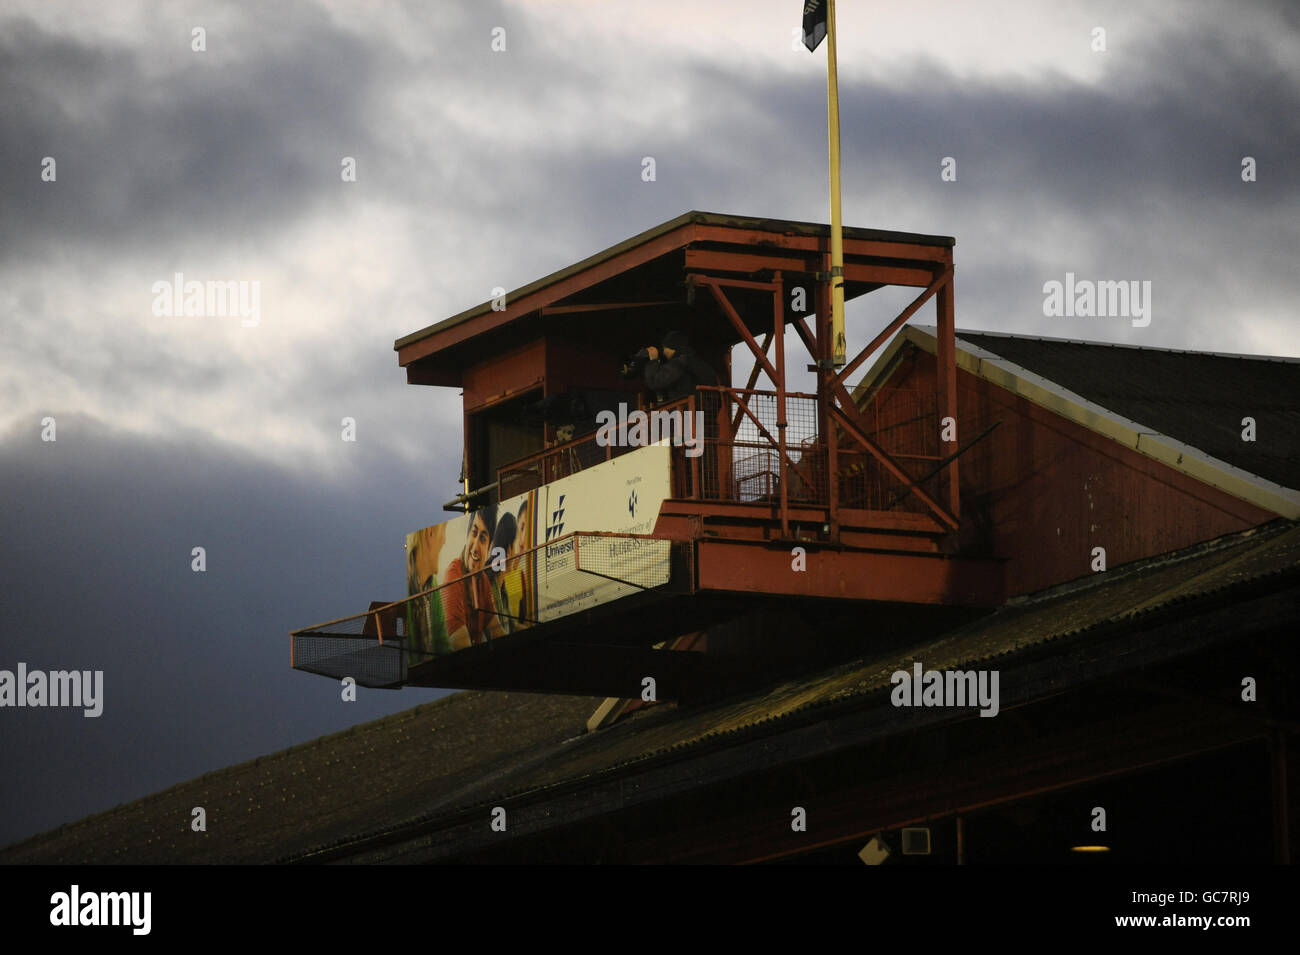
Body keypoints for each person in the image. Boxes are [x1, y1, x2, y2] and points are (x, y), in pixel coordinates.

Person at [442, 504, 503, 650]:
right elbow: (461, 646)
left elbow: (497, 631)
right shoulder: (453, 575)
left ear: (490, 548)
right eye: (474, 533)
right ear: (467, 534)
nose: (475, 547)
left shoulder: (483, 581)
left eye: (482, 539)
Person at [642, 330, 717, 405]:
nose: (664, 352)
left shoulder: (680, 362)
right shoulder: (694, 360)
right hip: (702, 409)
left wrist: (653, 360)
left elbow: (655, 382)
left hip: (688, 410)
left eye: (665, 348)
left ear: (672, 347)